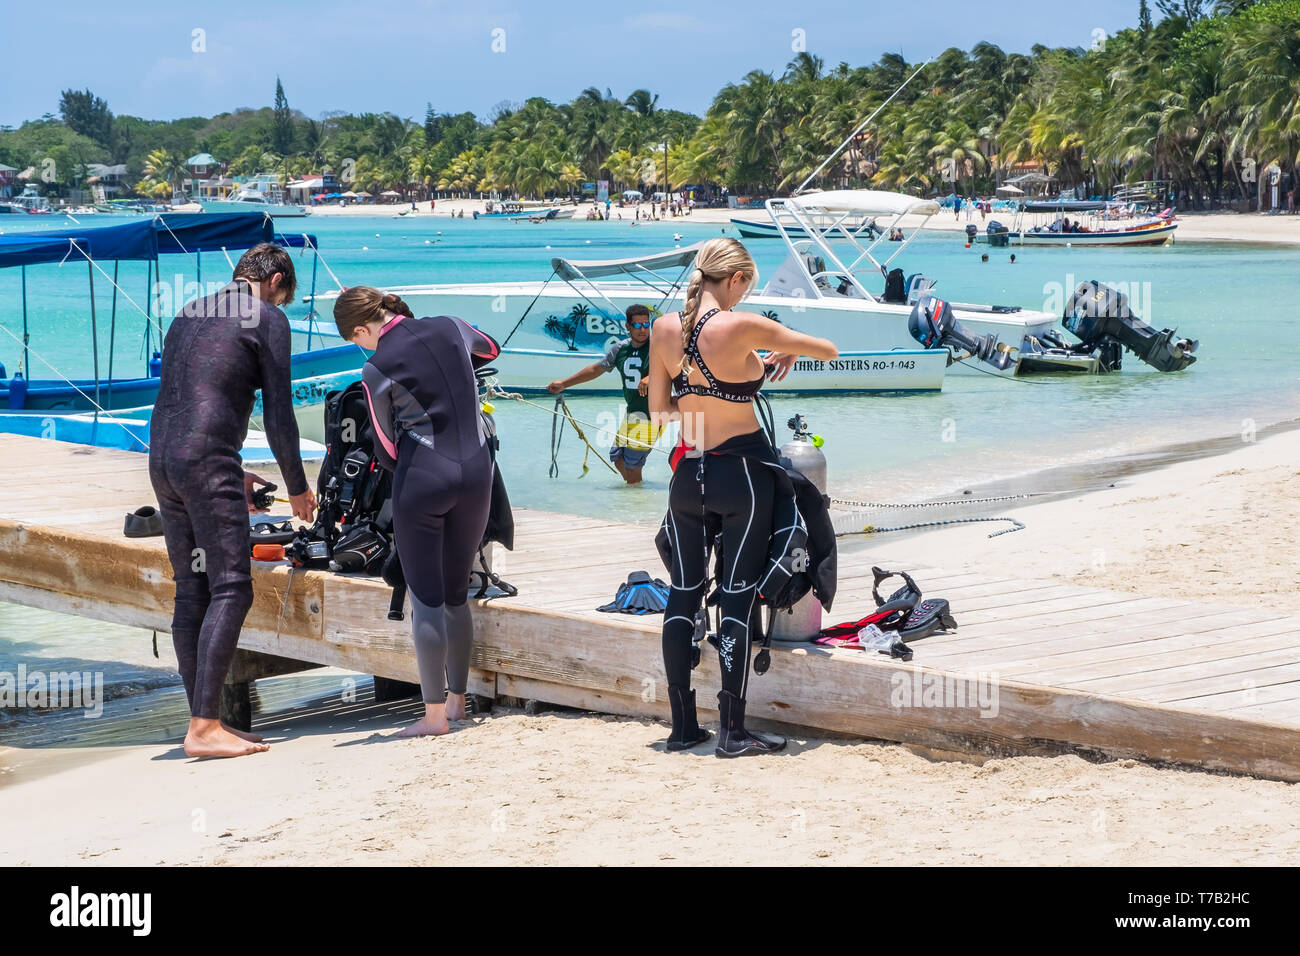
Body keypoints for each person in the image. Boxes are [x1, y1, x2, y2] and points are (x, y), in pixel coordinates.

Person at [647, 238, 838, 757]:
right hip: (744, 477)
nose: (741, 297)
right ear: (733, 280)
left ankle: (682, 727)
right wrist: (789, 348)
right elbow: (830, 349)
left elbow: (660, 414)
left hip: (688, 477)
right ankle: (732, 731)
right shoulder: (742, 325)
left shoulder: (663, 329)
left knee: (683, 591)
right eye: (744, 287)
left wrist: (695, 394)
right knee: (736, 595)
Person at [149, 244, 317, 758]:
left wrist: (232, 469)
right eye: (284, 297)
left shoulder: (189, 311)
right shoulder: (265, 317)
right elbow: (280, 417)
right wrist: (297, 488)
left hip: (163, 460)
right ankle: (203, 728)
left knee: (190, 590)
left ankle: (204, 722)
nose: (281, 307)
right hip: (205, 460)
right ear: (275, 281)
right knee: (232, 588)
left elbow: (192, 393)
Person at [333, 288, 500, 737]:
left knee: (425, 601)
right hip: (478, 473)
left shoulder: (375, 368)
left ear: (362, 329)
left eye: (356, 339)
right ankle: (459, 703)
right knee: (455, 593)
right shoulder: (449, 325)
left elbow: (386, 448)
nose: (360, 346)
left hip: (425, 477)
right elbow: (490, 348)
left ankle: (431, 718)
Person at [547, 305, 658, 485]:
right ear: (628, 326)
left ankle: (633, 503)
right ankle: (636, 493)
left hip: (652, 415)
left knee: (633, 466)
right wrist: (564, 384)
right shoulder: (620, 348)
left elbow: (675, 367)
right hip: (632, 413)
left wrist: (652, 377)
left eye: (646, 325)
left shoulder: (658, 347)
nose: (643, 330)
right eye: (637, 326)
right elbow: (595, 369)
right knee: (617, 456)